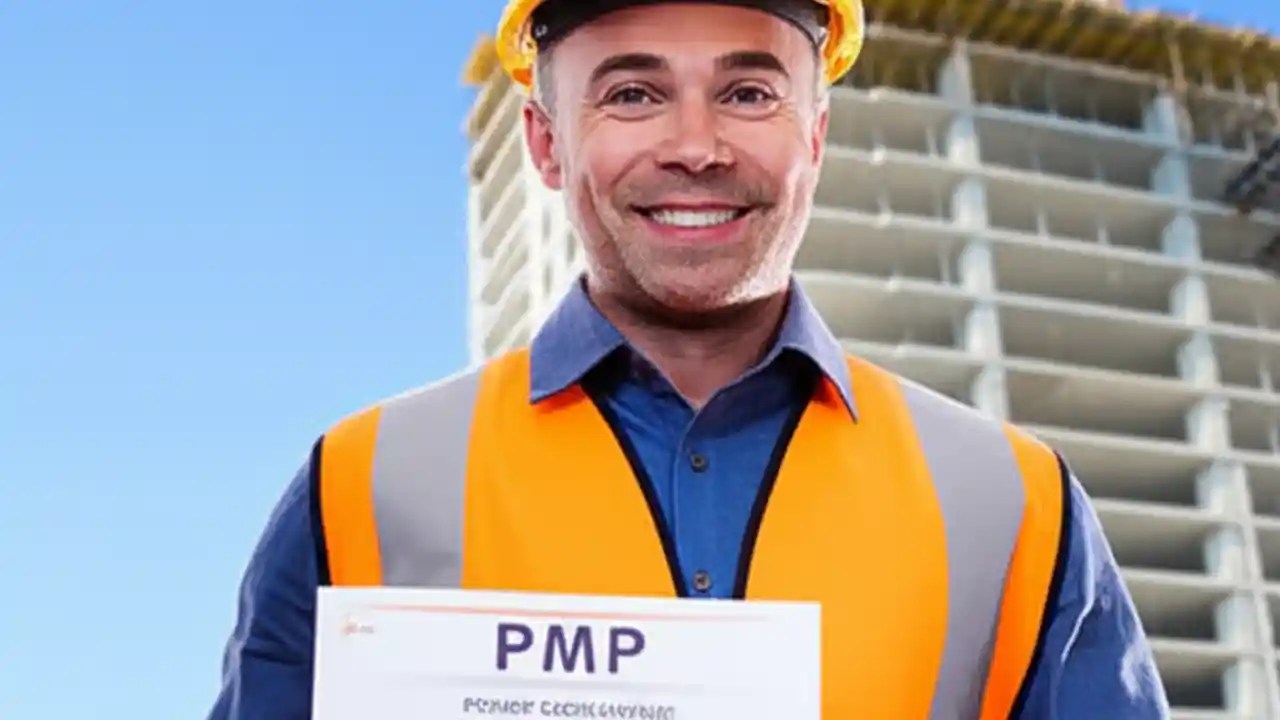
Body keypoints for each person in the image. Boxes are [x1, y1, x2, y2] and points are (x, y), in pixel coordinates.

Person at [207, 1, 1172, 717]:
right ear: (547, 142)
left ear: (817, 136)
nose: (697, 145)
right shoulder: (365, 484)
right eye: (633, 93)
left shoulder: (1012, 501)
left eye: (749, 92)